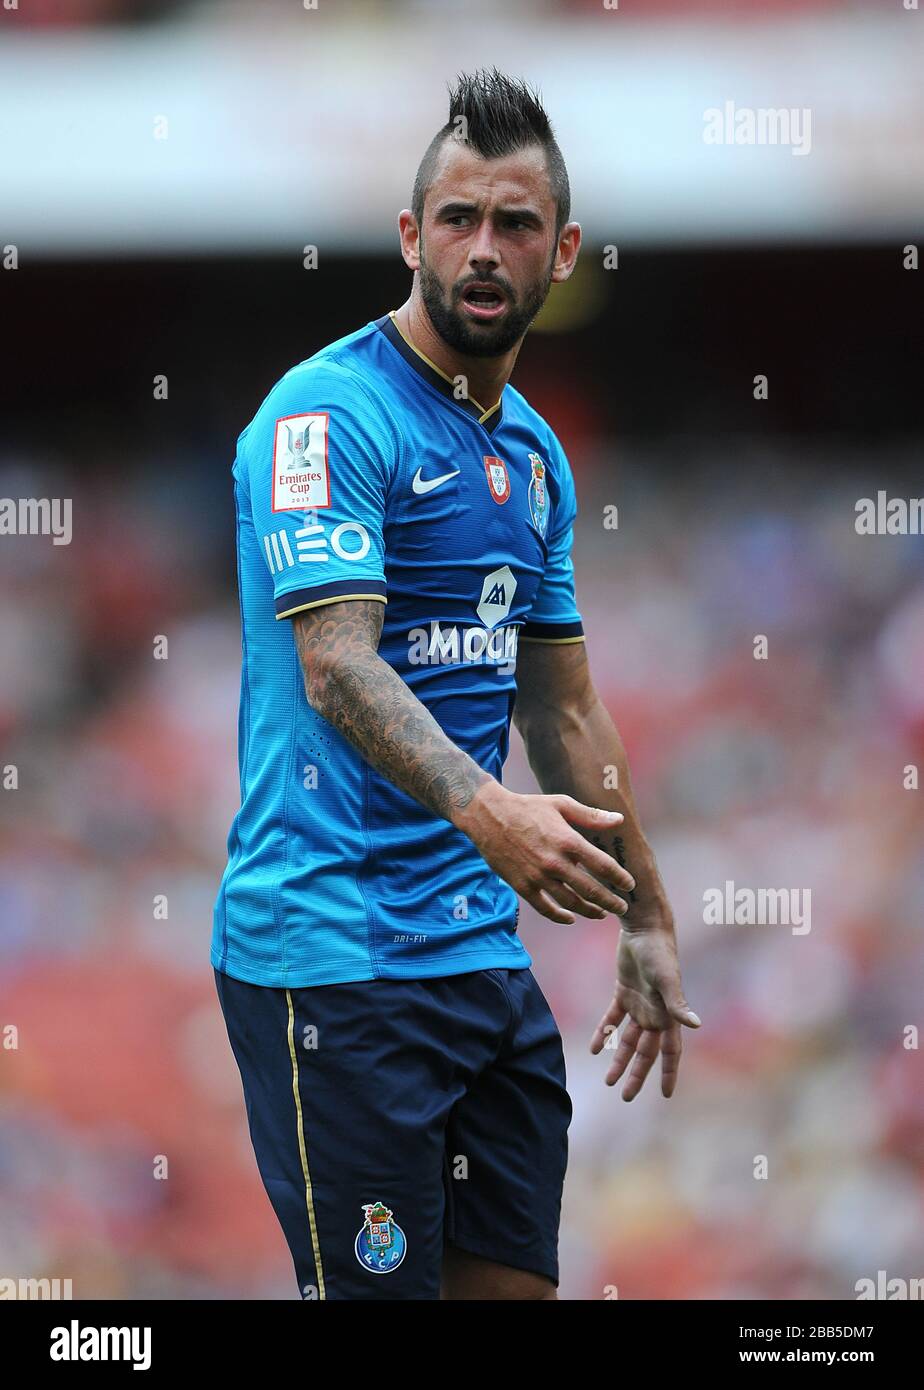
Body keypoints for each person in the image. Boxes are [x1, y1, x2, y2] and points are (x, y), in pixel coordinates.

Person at [212, 67, 699, 1302]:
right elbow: (337, 665)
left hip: (476, 961)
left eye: (517, 225)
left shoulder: (533, 454)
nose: (486, 251)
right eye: (459, 221)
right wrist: (493, 819)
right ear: (410, 236)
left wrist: (645, 909)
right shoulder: (326, 416)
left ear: (564, 249)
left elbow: (561, 707)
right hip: (331, 958)